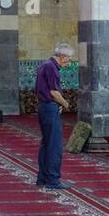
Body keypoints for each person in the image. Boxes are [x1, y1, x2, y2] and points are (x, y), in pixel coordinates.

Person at [35, 42, 74, 190]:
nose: (69, 63)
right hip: (50, 108)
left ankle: (42, 178)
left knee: (46, 144)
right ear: (63, 57)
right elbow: (54, 93)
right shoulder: (51, 67)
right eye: (69, 59)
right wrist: (66, 104)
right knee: (54, 146)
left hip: (44, 108)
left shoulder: (45, 65)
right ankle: (53, 180)